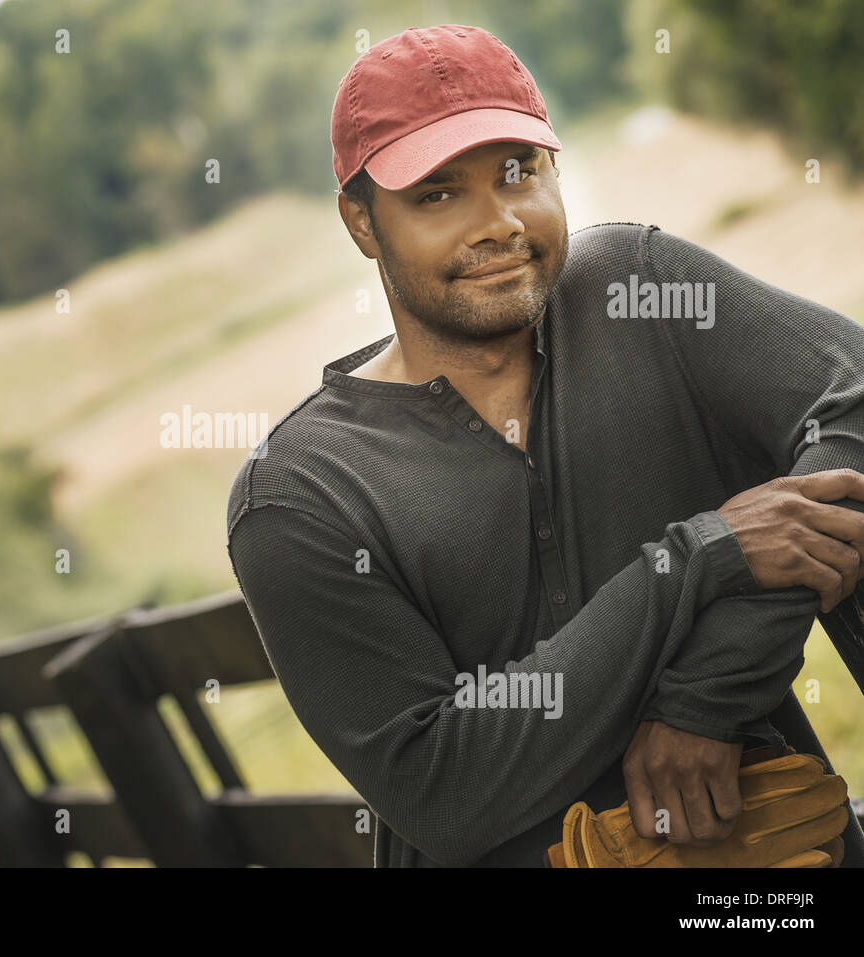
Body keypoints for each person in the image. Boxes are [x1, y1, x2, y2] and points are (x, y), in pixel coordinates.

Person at [224, 24, 864, 867]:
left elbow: (853, 409)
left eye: (518, 172)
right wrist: (700, 557)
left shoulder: (638, 290)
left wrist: (707, 694)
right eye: (438, 194)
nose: (497, 223)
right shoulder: (302, 492)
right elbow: (441, 790)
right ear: (361, 222)